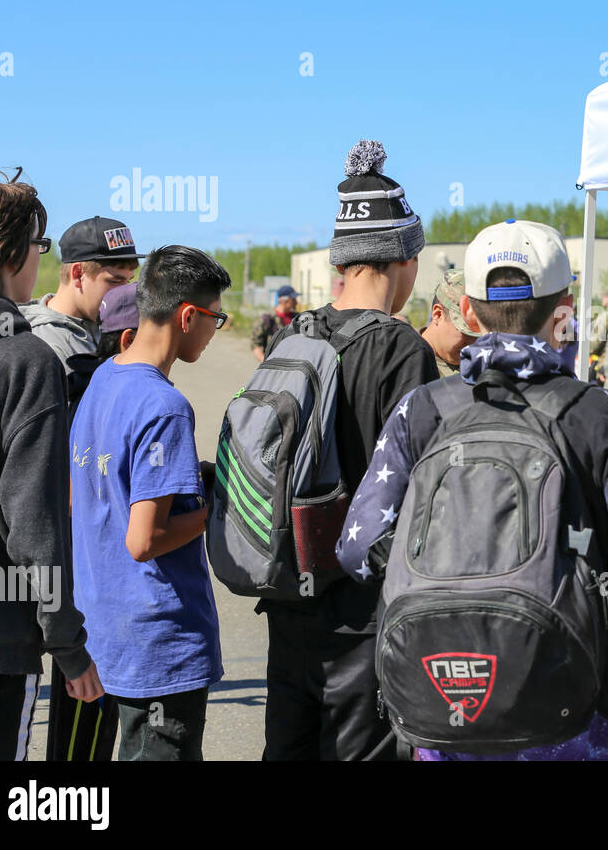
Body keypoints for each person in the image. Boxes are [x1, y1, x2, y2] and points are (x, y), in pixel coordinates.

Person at [337, 218, 608, 760]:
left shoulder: (421, 411)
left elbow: (357, 549)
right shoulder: (602, 416)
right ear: (564, 308)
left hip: (440, 702)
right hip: (570, 710)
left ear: (468, 311)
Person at [258, 139, 436, 761]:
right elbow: (417, 488)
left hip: (288, 590)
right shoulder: (403, 350)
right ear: (401, 260)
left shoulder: (296, 333)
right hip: (361, 608)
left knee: (289, 747)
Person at [0, 172, 103, 760]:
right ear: (12, 251)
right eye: (38, 246)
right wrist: (69, 648)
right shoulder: (24, 361)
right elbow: (36, 529)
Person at [69, 245, 230, 761]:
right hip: (160, 644)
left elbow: (88, 493)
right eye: (215, 318)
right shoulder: (165, 406)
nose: (214, 330)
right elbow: (145, 541)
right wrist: (214, 513)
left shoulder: (104, 376)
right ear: (188, 315)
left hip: (107, 626)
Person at [45, 282, 138, 762]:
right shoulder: (106, 394)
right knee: (80, 741)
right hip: (94, 604)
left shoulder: (96, 386)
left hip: (93, 598)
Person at [19, 215, 142, 367]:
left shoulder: (111, 327)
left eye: (128, 281)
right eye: (115, 281)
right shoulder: (44, 343)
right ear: (78, 274)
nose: (123, 291)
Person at [419, 269, 479, 377]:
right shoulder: (410, 365)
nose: (472, 344)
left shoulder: (478, 366)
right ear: (438, 315)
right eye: (466, 332)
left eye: (479, 335)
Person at [251, 284, 300, 363]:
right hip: (274, 367)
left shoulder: (298, 318)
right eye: (293, 299)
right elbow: (255, 344)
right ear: (283, 300)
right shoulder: (267, 318)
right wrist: (266, 363)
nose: (296, 302)